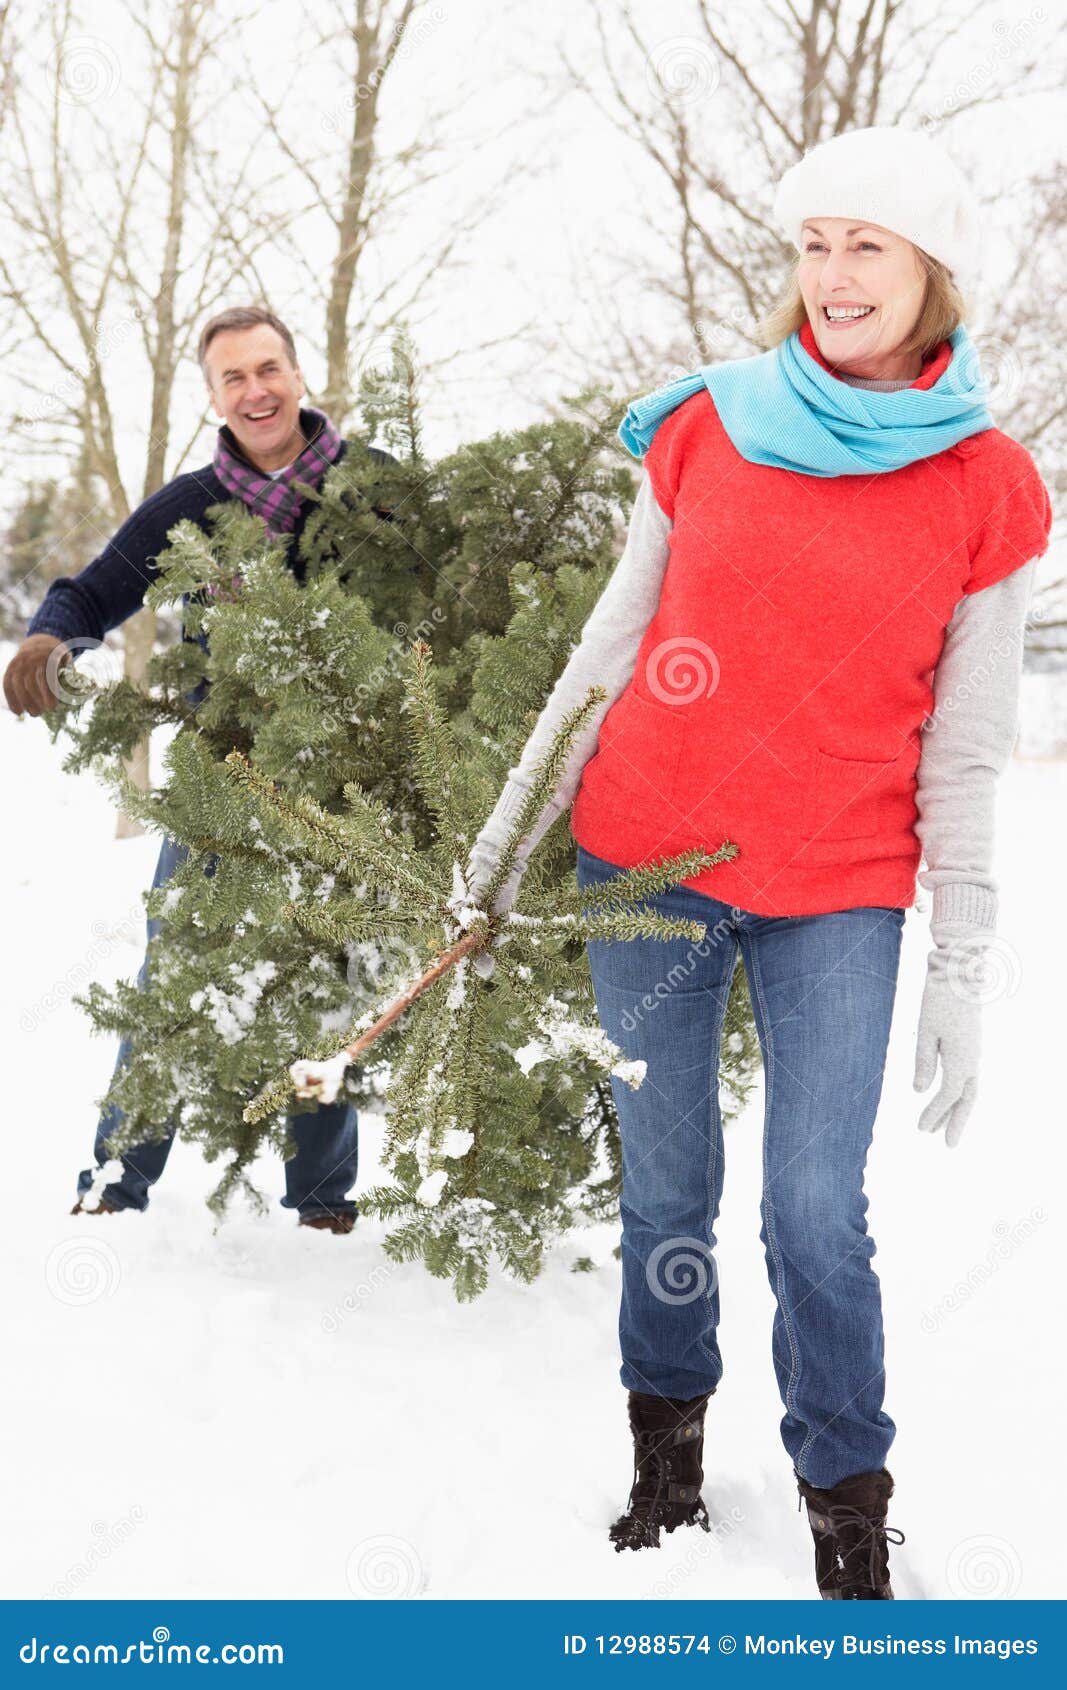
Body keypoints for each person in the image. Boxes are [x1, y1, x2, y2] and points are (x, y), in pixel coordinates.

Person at [461, 127, 1052, 1597]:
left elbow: (964, 749)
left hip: (839, 882)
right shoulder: (707, 427)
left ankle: (844, 1505)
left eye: (869, 247)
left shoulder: (984, 486)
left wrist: (962, 966)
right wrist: (504, 838)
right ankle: (664, 1461)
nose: (834, 274)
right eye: (814, 244)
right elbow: (609, 647)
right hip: (647, 860)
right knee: (663, 1193)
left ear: (930, 275)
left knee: (810, 1209)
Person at [4, 305, 394, 1234]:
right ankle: (116, 1178)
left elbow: (452, 591)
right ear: (213, 396)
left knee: (326, 975)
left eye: (268, 369)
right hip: (221, 778)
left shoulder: (373, 490)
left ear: (297, 376)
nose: (255, 390)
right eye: (233, 377)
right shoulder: (192, 508)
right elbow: (94, 587)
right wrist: (50, 635)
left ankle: (322, 1199)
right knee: (175, 971)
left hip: (344, 782)